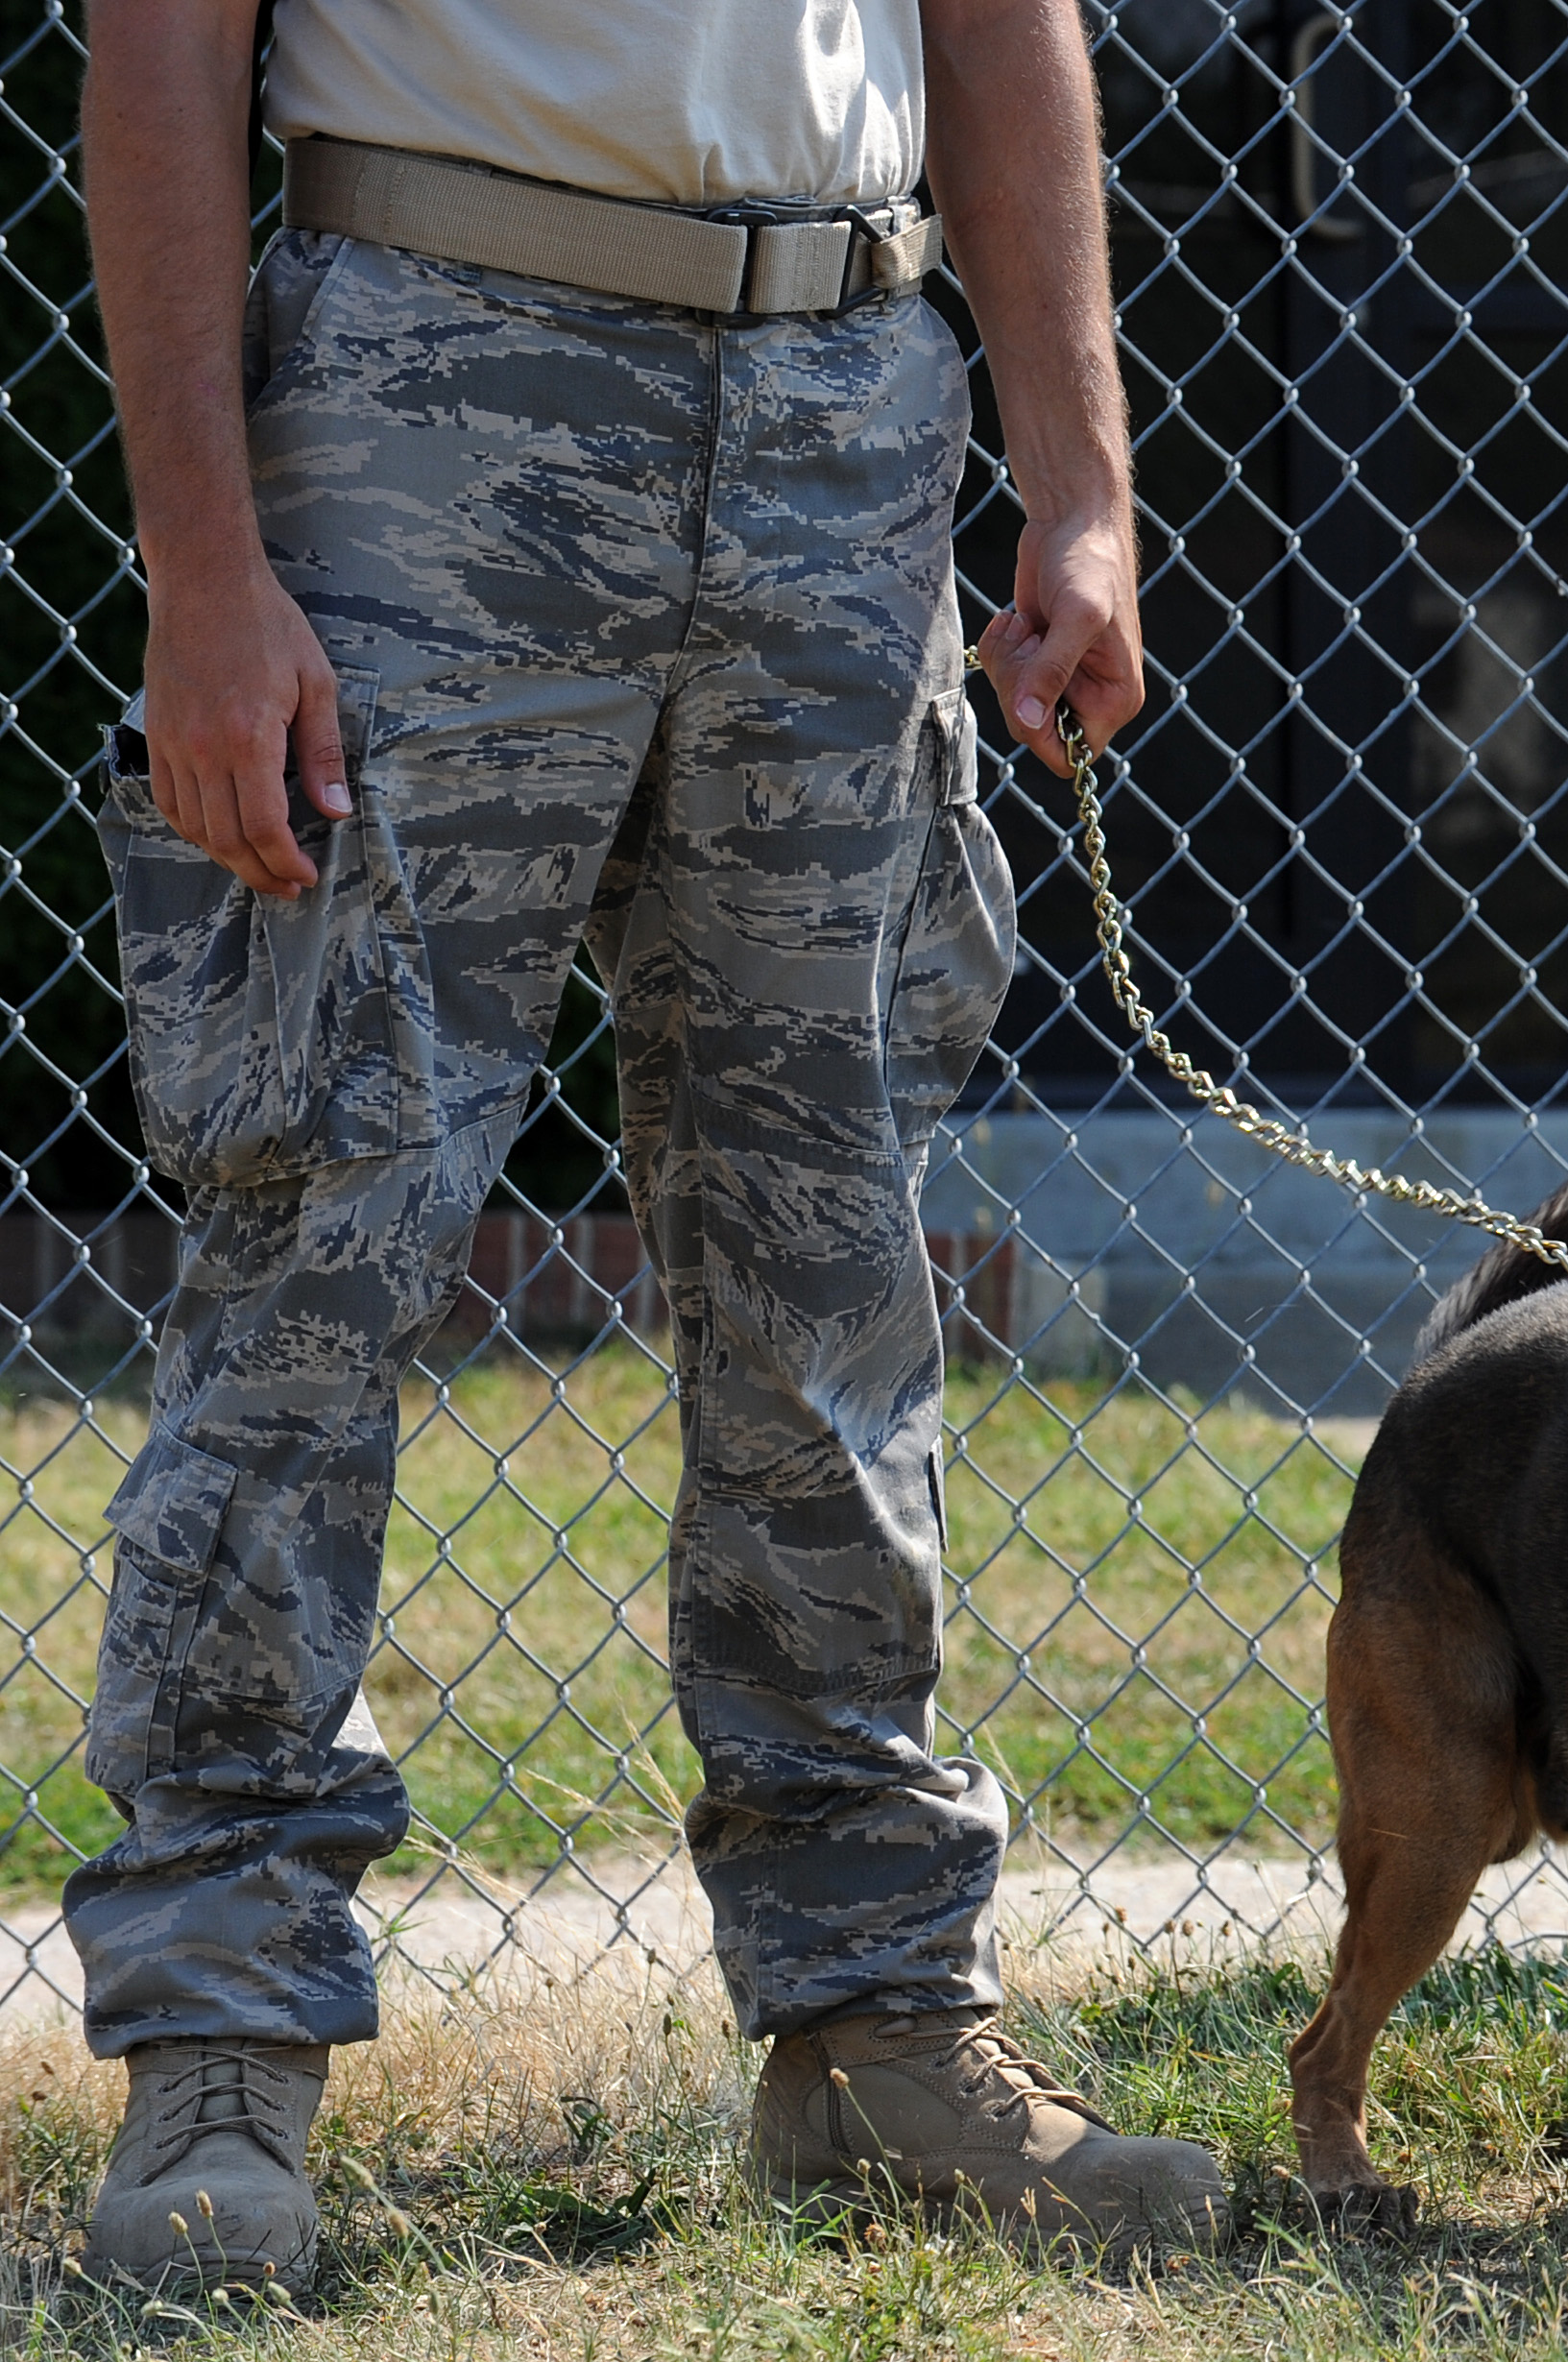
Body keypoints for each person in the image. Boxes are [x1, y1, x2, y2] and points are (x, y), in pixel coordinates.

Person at [75, 0, 1224, 2290]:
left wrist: (1080, 479)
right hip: (426, 389)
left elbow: (1000, 25)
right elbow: (163, 43)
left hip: (841, 412)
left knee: (827, 1273)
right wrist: (202, 566)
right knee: (317, 1249)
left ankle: (878, 2024)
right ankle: (218, 2045)